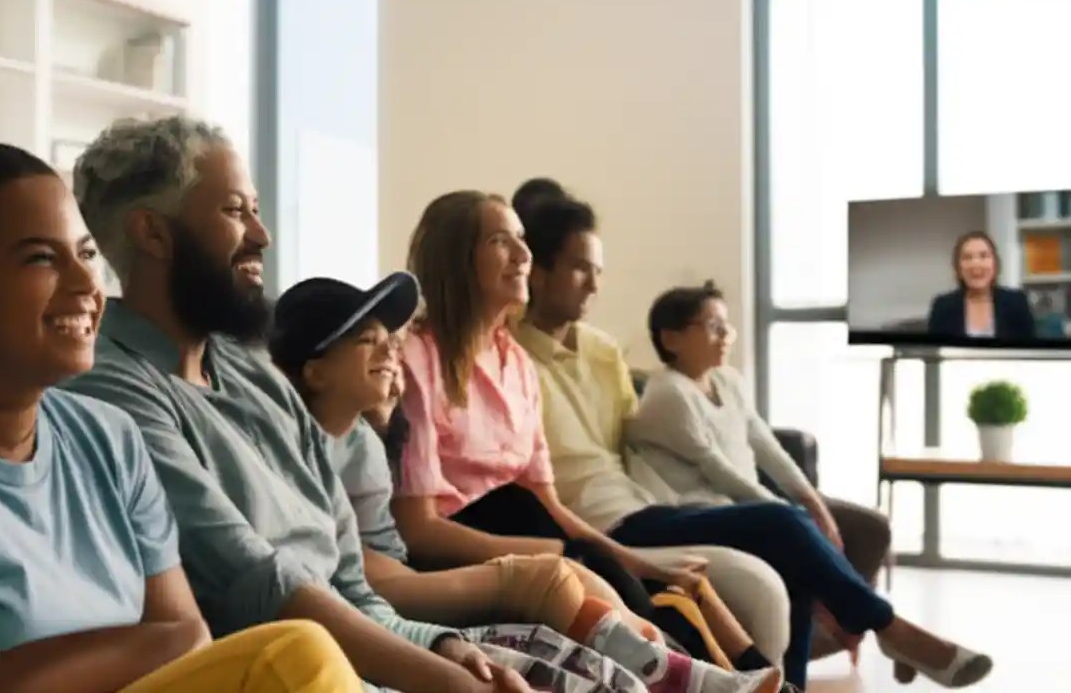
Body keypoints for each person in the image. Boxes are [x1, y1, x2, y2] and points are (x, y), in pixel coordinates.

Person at [62, 114, 557, 693]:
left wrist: (445, 650)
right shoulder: (111, 387)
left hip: (369, 658)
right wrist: (444, 681)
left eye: (255, 209)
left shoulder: (254, 373)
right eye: (234, 211)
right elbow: (254, 582)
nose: (261, 235)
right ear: (154, 234)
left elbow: (349, 581)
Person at [0, 142, 362, 693]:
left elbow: (188, 635)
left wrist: (156, 643)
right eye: (41, 257)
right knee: (293, 652)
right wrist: (159, 641)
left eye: (85, 255)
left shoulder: (107, 436)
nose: (86, 286)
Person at [268, 273, 789, 693]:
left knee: (582, 568)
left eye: (389, 340)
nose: (389, 354)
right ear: (315, 372)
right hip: (389, 572)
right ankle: (695, 676)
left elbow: (386, 545)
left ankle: (697, 674)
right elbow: (369, 554)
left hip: (392, 573)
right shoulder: (296, 442)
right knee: (556, 575)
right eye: (367, 342)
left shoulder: (361, 440)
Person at [390, 191, 781, 679]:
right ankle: (718, 676)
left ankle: (743, 673)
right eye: (499, 240)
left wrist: (635, 560)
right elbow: (418, 530)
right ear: (456, 259)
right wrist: (550, 554)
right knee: (544, 528)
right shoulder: (412, 360)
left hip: (533, 534)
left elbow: (554, 508)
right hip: (466, 555)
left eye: (521, 239)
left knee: (662, 585)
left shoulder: (517, 364)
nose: (523, 255)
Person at [513, 194, 896, 678]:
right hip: (600, 523)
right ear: (538, 272)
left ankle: (798, 678)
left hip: (649, 506)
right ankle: (884, 624)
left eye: (599, 270)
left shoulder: (603, 351)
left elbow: (645, 443)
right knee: (780, 536)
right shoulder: (509, 358)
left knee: (794, 541)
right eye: (579, 268)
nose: (595, 284)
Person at [619, 280, 992, 689]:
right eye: (712, 326)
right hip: (690, 513)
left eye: (727, 326)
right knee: (787, 531)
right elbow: (720, 471)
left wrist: (812, 503)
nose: (725, 336)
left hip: (731, 508)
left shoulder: (727, 380)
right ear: (671, 338)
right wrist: (789, 516)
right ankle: (889, 628)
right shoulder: (668, 394)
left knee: (793, 564)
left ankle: (795, 681)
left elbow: (766, 446)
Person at [927, 231, 1035, 340]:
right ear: (958, 268)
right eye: (967, 257)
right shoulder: (943, 306)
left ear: (995, 265)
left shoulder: (1017, 303)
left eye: (983, 256)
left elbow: (1029, 352)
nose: (976, 264)